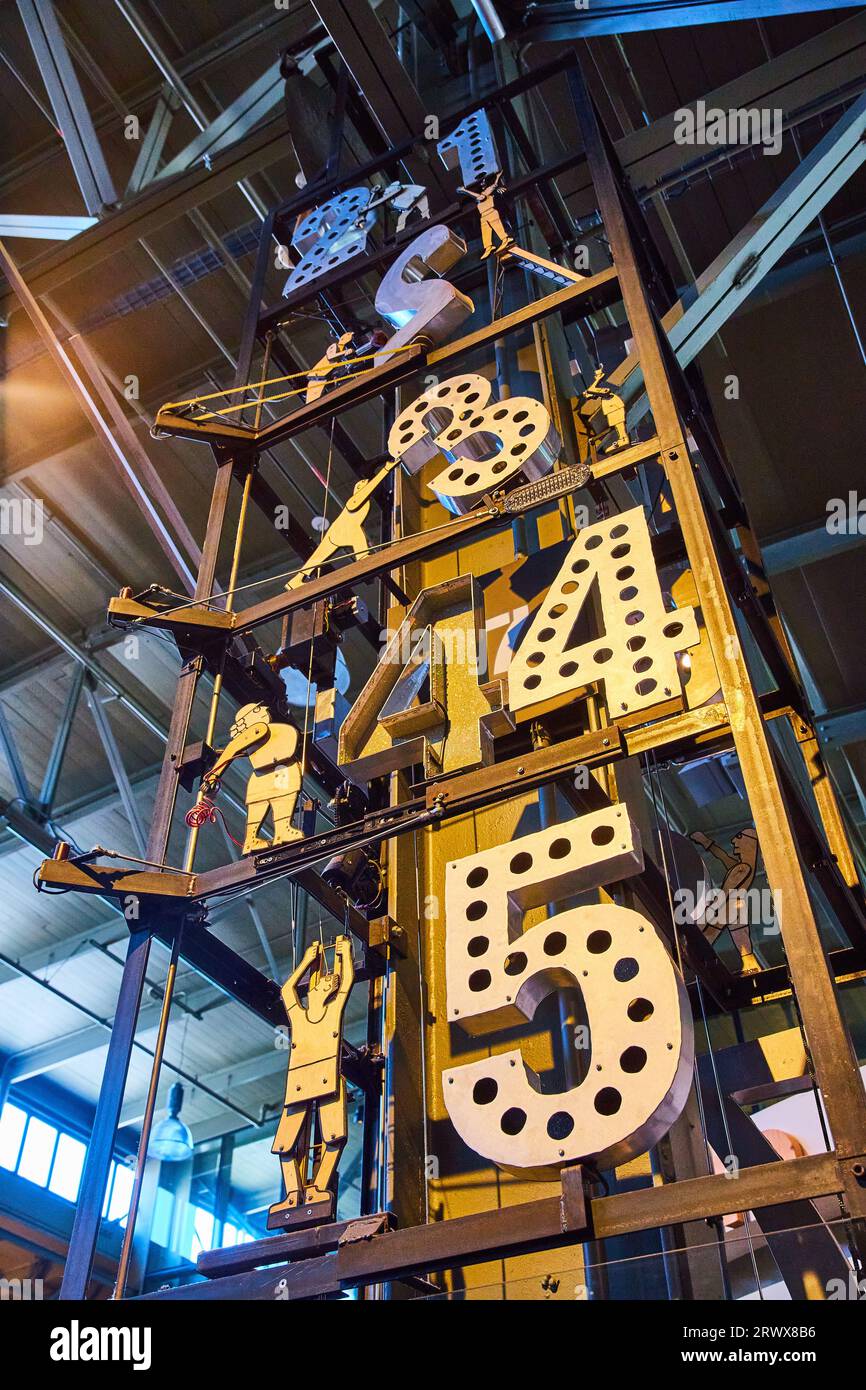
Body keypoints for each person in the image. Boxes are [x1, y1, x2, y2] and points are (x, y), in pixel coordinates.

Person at [269, 937, 355, 1223]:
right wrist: (307, 960)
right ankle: (293, 1194)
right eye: (317, 984)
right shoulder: (299, 1017)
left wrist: (344, 954)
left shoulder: (333, 1012)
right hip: (299, 1083)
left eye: (325, 985)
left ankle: (318, 1189)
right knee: (285, 1145)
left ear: (329, 992)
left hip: (327, 1079)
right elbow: (286, 989)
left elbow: (346, 984)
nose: (319, 986)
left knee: (333, 1137)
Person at [202, 702, 303, 855]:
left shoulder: (259, 737)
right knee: (259, 805)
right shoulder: (257, 730)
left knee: (280, 800)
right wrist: (213, 776)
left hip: (278, 769)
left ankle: (281, 831)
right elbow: (232, 749)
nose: (263, 709)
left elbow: (235, 750)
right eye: (256, 710)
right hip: (271, 771)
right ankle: (252, 839)